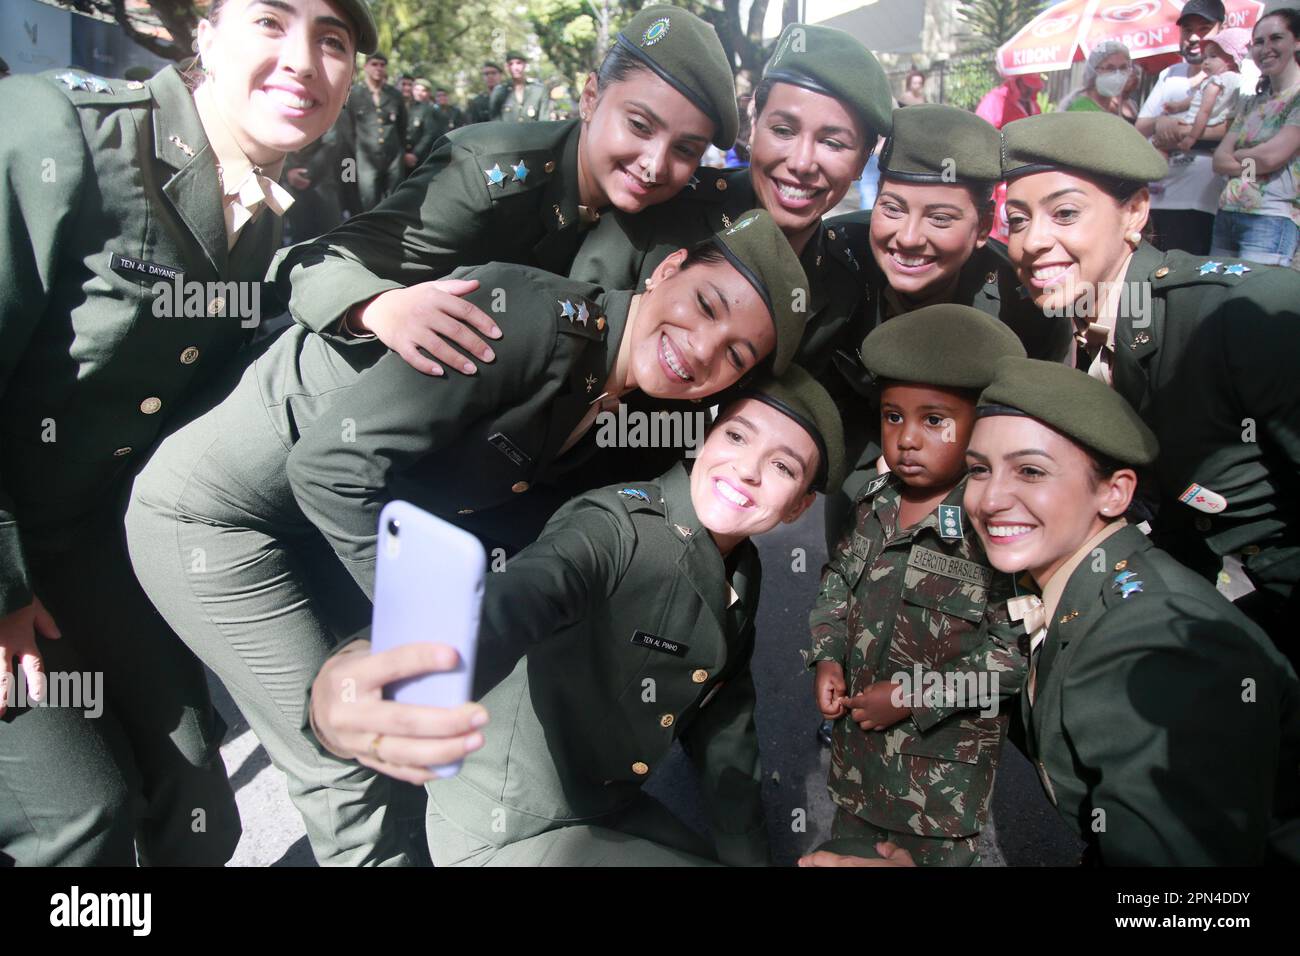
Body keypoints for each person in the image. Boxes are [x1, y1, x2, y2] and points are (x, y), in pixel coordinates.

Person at [125, 209, 807, 865]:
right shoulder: (538, 319)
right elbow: (332, 470)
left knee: (394, 751)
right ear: (668, 269)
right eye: (707, 306)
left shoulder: (621, 403)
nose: (703, 347)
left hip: (316, 533)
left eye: (736, 354)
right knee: (351, 764)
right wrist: (425, 632)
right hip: (219, 519)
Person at [0, 0, 376, 866]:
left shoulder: (269, 214)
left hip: (86, 550)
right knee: (80, 825)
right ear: (203, 32)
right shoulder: (59, 132)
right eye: (271, 22)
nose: (303, 61)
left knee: (198, 802)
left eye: (333, 39)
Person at [309, 366, 845, 866]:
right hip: (511, 821)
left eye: (781, 466)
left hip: (601, 802)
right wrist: (371, 673)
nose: (747, 470)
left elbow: (724, 721)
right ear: (705, 436)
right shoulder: (614, 527)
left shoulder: (743, 569)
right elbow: (517, 595)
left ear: (799, 506)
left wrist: (748, 856)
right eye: (736, 436)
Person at [269, 4, 738, 380]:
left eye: (686, 149)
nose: (655, 165)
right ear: (590, 97)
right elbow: (317, 261)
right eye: (638, 124)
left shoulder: (665, 207)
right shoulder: (485, 173)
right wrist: (383, 308)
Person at [1000, 109, 1300, 666]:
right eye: (1017, 220)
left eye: (1064, 213)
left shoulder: (1238, 316)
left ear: (1135, 212)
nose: (1032, 242)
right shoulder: (1085, 335)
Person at [806, 305, 1027, 866]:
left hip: (936, 794)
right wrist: (828, 655)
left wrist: (909, 697)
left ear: (981, 426)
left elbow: (1011, 661)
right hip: (857, 769)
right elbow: (838, 581)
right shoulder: (876, 502)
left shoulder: (993, 527)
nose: (906, 440)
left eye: (934, 420)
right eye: (892, 416)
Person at [1136, 0, 1259, 255]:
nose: (1193, 37)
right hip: (1157, 200)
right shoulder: (1170, 73)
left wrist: (1182, 132)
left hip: (1207, 203)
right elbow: (1140, 128)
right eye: (1187, 29)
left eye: (1203, 29)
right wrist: (1161, 122)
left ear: (1222, 28)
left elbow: (1243, 129)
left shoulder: (1244, 75)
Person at [1212, 9, 1300, 266]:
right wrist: (1253, 162)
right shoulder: (1251, 102)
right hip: (1227, 213)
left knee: (1251, 302)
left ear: (1297, 41)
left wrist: (1238, 158)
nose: (1266, 48)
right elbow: (1218, 161)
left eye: (1276, 38)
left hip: (1272, 217)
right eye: (1259, 42)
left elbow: (1272, 157)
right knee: (1213, 300)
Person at [1157, 28, 1248, 156]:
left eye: (1213, 56)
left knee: (1159, 143)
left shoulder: (1216, 82)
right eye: (1205, 57)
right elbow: (1197, 98)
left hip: (1200, 127)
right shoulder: (1237, 80)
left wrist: (1192, 137)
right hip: (1220, 128)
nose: (1206, 61)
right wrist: (1179, 106)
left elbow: (1204, 110)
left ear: (1231, 60)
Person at [346, 51, 408, 210]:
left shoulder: (395, 95)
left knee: (395, 201)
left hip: (393, 156)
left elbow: (402, 126)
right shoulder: (354, 94)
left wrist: (401, 152)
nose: (378, 68)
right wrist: (353, 158)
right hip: (365, 159)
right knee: (369, 201)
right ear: (366, 66)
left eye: (382, 65)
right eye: (374, 64)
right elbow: (348, 130)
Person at [1057, 40, 1138, 120]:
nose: (1117, 74)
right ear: (1093, 70)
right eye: (1110, 68)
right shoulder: (1080, 109)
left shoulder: (1115, 106)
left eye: (1123, 67)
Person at [490, 49, 547, 122]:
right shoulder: (499, 92)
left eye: (518, 63)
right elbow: (496, 122)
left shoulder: (539, 90)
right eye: (511, 64)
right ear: (507, 67)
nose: (515, 68)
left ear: (525, 65)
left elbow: (544, 121)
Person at [975, 71, 1043, 130]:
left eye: (1033, 87)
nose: (1029, 91)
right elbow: (981, 130)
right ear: (1016, 81)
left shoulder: (1033, 105)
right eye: (1026, 86)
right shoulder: (995, 100)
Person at [405, 77, 441, 166]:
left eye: (423, 91)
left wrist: (415, 154)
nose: (419, 93)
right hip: (405, 155)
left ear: (428, 93)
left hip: (423, 156)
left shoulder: (432, 110)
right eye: (417, 89)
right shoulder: (407, 107)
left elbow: (429, 134)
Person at [465, 60, 502, 124]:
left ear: (500, 75)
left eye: (493, 73)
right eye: (486, 74)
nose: (490, 76)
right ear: (483, 77)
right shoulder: (476, 102)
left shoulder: (509, 97)